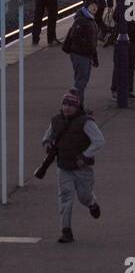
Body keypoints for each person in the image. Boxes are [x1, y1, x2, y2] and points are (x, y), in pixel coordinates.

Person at [42, 89, 104, 244]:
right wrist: (48, 145)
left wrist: (85, 156)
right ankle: (66, 230)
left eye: (70, 105)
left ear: (77, 107)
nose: (67, 108)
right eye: (64, 104)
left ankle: (91, 202)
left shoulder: (86, 122)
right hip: (63, 167)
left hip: (82, 168)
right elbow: (46, 138)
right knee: (65, 197)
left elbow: (99, 141)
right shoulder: (56, 121)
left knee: (84, 196)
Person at [61, 0, 100, 99]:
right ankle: (77, 105)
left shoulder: (90, 19)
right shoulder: (82, 20)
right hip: (80, 54)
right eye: (92, 6)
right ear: (87, 7)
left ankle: (78, 105)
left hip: (86, 55)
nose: (95, 8)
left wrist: (94, 56)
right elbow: (75, 36)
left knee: (82, 80)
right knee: (81, 81)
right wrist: (88, 49)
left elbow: (92, 41)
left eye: (96, 6)